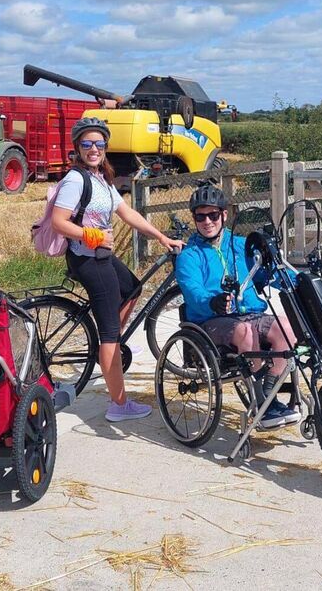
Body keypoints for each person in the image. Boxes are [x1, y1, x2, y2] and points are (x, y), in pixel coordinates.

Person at [51, 117, 185, 422]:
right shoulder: (76, 180)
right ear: (78, 148)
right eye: (87, 144)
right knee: (109, 334)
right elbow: (59, 221)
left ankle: (111, 345)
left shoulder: (101, 179)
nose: (94, 149)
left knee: (132, 289)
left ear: (106, 147)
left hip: (102, 256)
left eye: (99, 144)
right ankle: (118, 403)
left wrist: (161, 237)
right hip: (89, 260)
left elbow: (127, 213)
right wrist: (91, 234)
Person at [174, 185, 301, 428]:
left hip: (251, 313)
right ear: (194, 219)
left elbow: (268, 273)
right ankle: (260, 400)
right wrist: (213, 301)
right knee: (244, 332)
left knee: (286, 327)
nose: (207, 222)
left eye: (213, 215)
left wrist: (299, 281)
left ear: (224, 215)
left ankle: (269, 397)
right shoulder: (189, 256)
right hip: (210, 321)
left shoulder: (241, 245)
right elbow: (193, 292)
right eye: (200, 217)